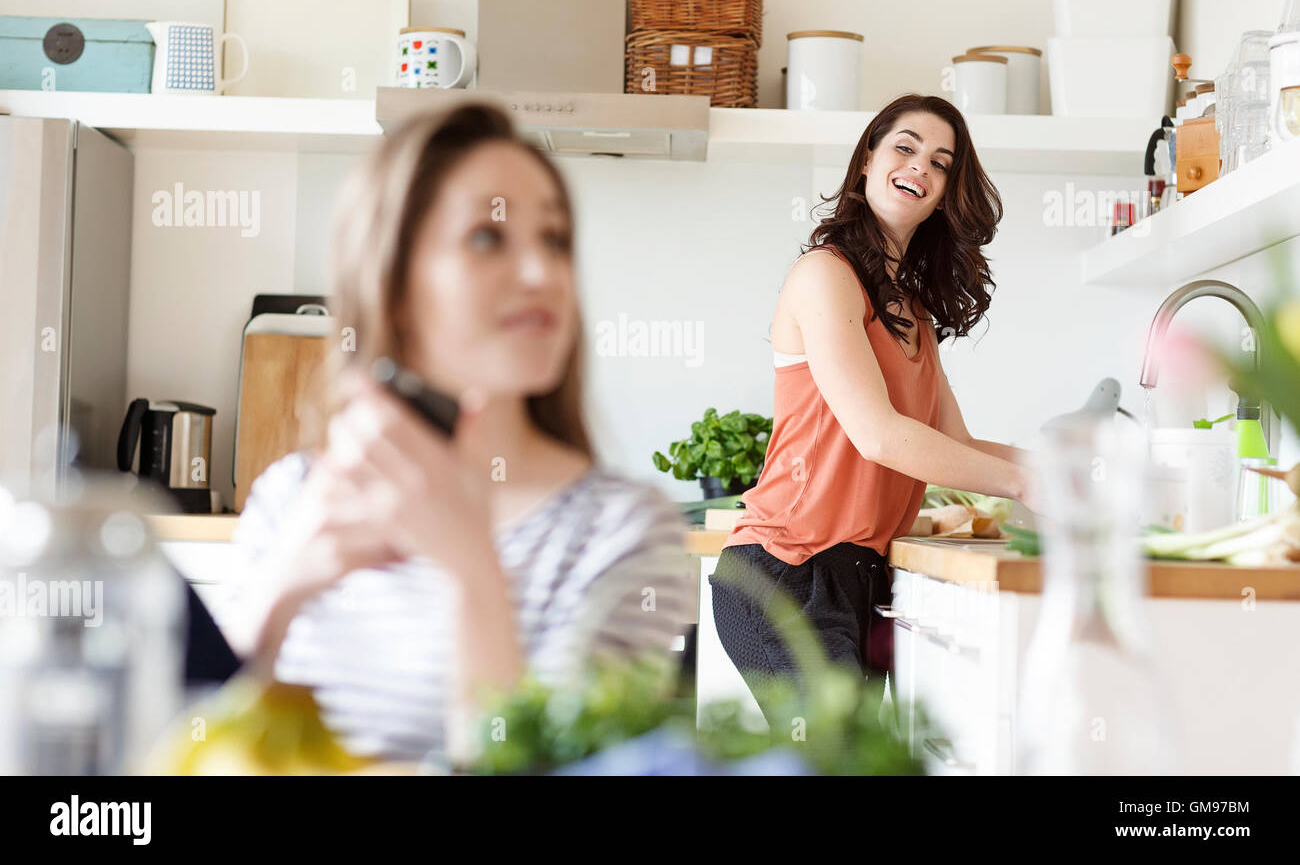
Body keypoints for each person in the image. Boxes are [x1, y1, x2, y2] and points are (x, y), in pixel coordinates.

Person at [215, 103, 694, 765]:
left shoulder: (624, 533)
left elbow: (544, 764)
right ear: (393, 283)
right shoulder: (290, 498)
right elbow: (183, 745)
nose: (542, 273)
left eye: (554, 240)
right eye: (487, 238)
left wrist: (472, 570)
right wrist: (282, 589)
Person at [710, 93, 1043, 718]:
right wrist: (1026, 482)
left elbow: (956, 445)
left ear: (945, 192)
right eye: (906, 147)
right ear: (868, 158)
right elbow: (880, 437)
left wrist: (1064, 470)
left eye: (941, 163)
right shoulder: (824, 274)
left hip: (859, 576)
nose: (922, 166)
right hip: (785, 570)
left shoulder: (913, 312)